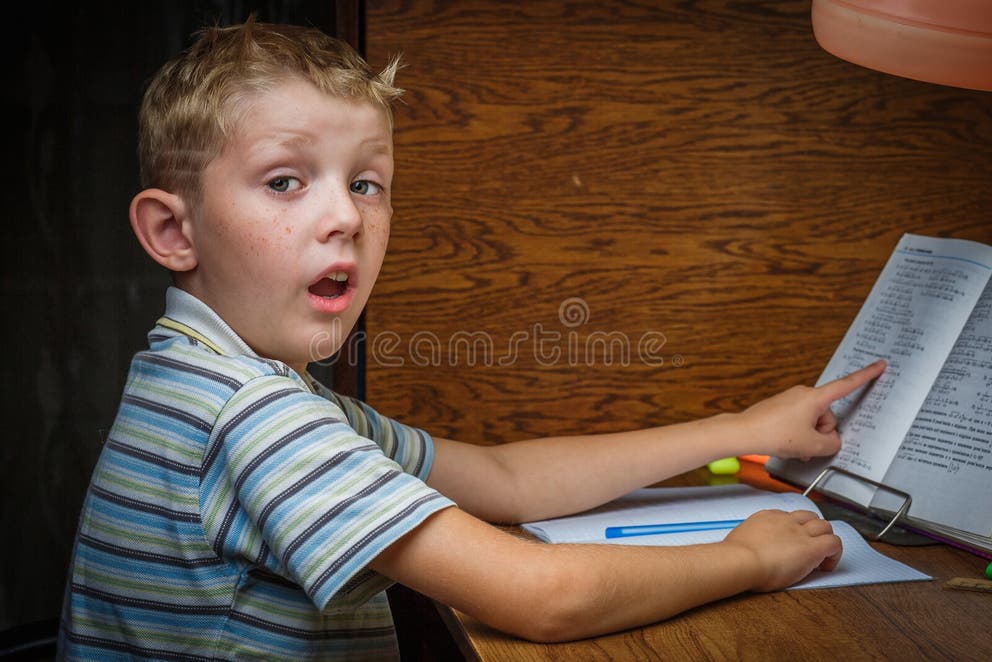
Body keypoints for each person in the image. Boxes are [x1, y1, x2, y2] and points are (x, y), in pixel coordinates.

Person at [58, 17, 886, 660]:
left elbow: (502, 477)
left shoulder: (212, 377)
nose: (346, 214)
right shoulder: (252, 417)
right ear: (174, 230)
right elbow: (542, 595)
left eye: (366, 182)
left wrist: (747, 428)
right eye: (285, 180)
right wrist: (747, 560)